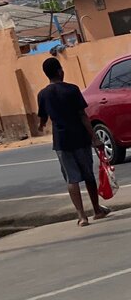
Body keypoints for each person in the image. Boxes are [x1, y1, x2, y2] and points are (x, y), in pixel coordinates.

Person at [37, 56, 110, 226]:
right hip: (80, 138)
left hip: (62, 142)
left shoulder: (43, 94)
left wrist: (41, 127)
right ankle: (97, 210)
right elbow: (83, 116)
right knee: (88, 176)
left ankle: (82, 216)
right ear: (59, 71)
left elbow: (42, 119)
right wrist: (95, 137)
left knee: (72, 179)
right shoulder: (72, 90)